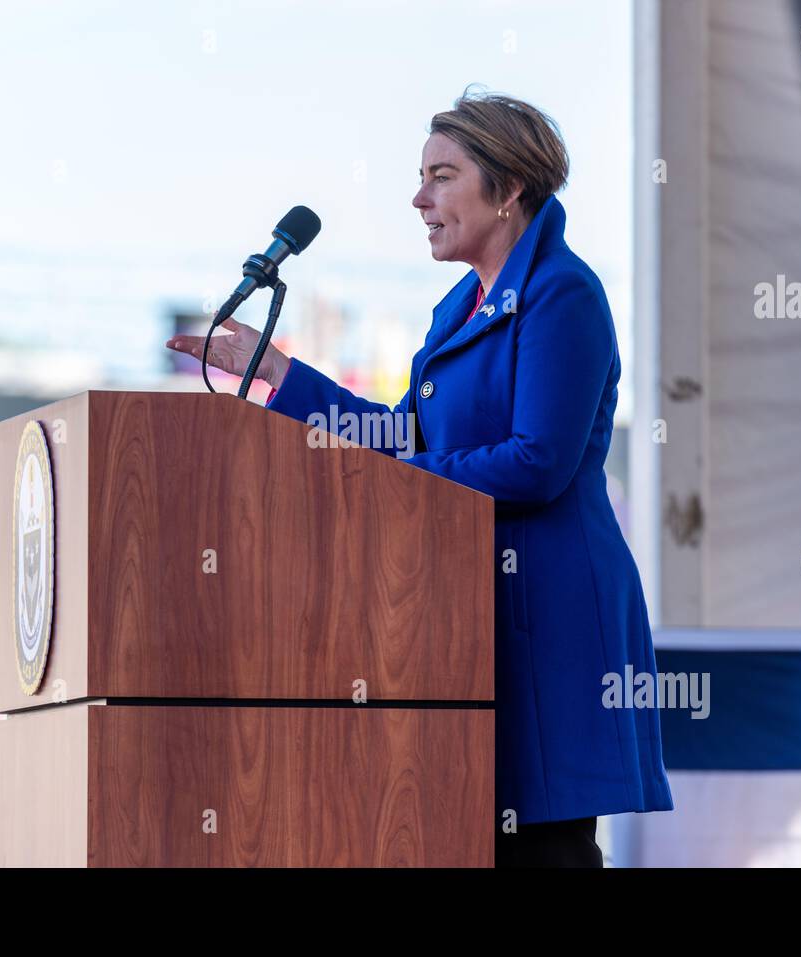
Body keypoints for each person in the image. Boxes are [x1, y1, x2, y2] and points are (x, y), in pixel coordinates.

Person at [166, 87, 674, 867]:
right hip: (464, 615)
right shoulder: (454, 312)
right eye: (421, 176)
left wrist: (408, 477)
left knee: (543, 849)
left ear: (506, 191)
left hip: (548, 614)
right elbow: (402, 434)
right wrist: (282, 375)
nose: (418, 198)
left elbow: (537, 463)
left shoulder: (561, 295)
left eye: (442, 175)